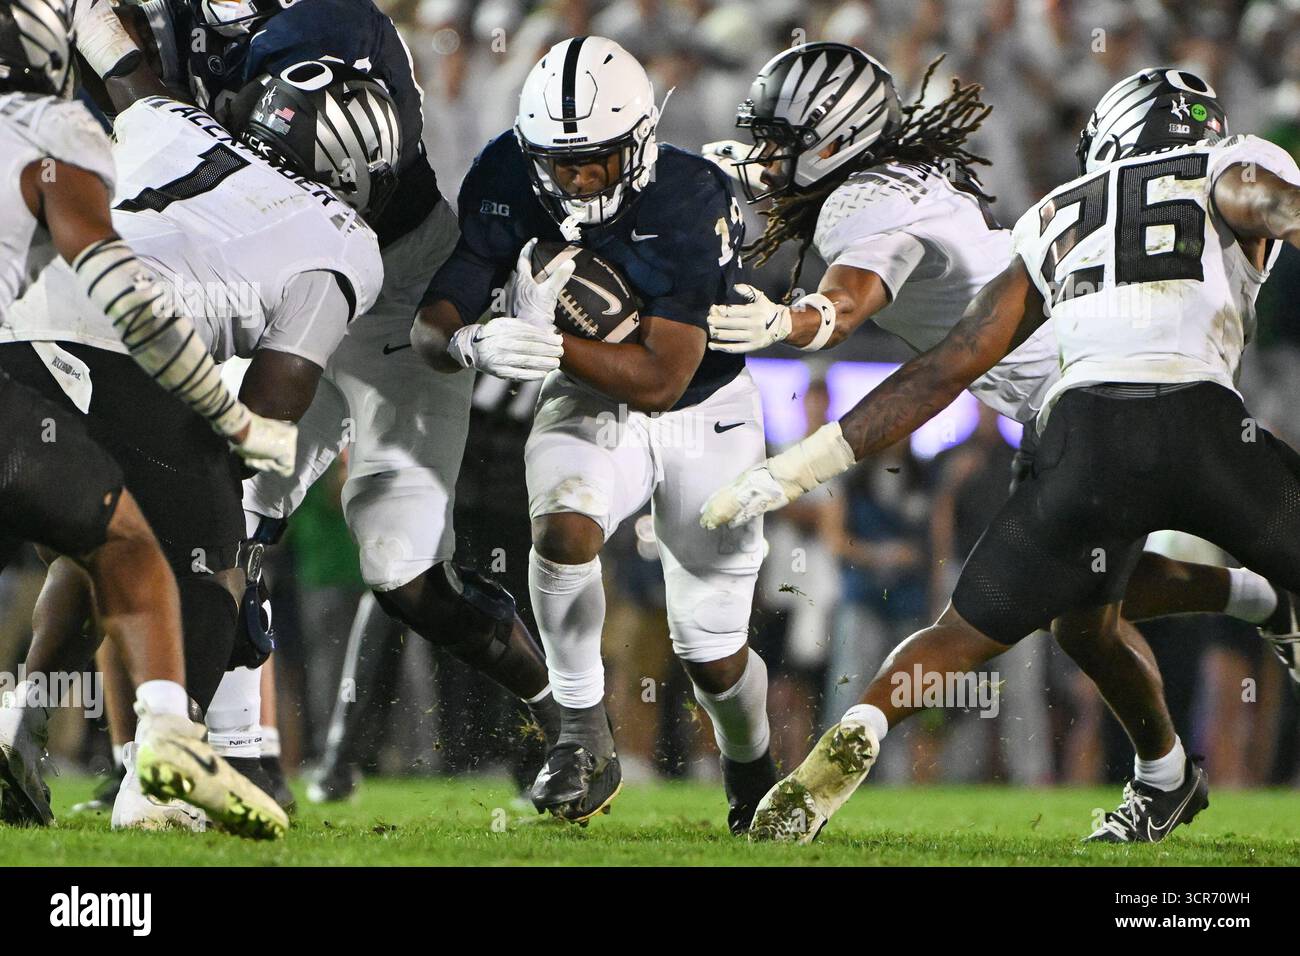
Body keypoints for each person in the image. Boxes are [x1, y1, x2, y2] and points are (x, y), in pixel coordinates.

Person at [704, 67, 1300, 843]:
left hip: (1079, 437)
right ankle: (1175, 760)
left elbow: (949, 365)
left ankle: (829, 768)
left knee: (975, 628)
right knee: (1083, 622)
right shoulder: (1231, 159)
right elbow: (1258, 200)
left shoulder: (1052, 212)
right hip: (1207, 427)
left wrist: (798, 465)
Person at [103, 0, 563, 771]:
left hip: (381, 281)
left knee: (399, 567)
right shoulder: (171, 24)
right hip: (285, 275)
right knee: (230, 513)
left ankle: (567, 718)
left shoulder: (330, 27)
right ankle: (239, 756)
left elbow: (332, 173)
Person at [1, 30, 392, 827]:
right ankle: (156, 783)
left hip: (24, 305)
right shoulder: (345, 238)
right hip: (132, 337)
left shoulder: (168, 119)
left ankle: (21, 730)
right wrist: (224, 483)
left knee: (106, 531)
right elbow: (278, 396)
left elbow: (123, 75)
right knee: (215, 560)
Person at [413, 35, 776, 832]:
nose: (575, 177)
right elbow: (434, 317)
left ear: (640, 143)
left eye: (596, 161)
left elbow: (661, 378)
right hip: (585, 399)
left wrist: (546, 341)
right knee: (564, 529)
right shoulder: (506, 173)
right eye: (560, 160)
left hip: (703, 413)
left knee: (710, 651)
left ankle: (751, 767)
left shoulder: (689, 195)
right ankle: (580, 733)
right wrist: (469, 342)